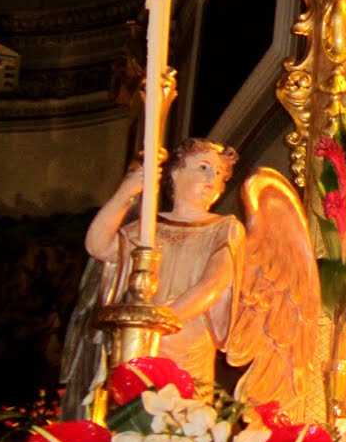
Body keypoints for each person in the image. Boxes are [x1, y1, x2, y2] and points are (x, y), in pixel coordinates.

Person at [85, 140, 243, 394]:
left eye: (219, 173)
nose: (212, 177)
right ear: (175, 172)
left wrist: (163, 321)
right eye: (203, 167)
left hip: (186, 338)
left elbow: (215, 282)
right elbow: (98, 245)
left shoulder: (223, 227)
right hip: (142, 338)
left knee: (182, 416)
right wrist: (126, 192)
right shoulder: (149, 226)